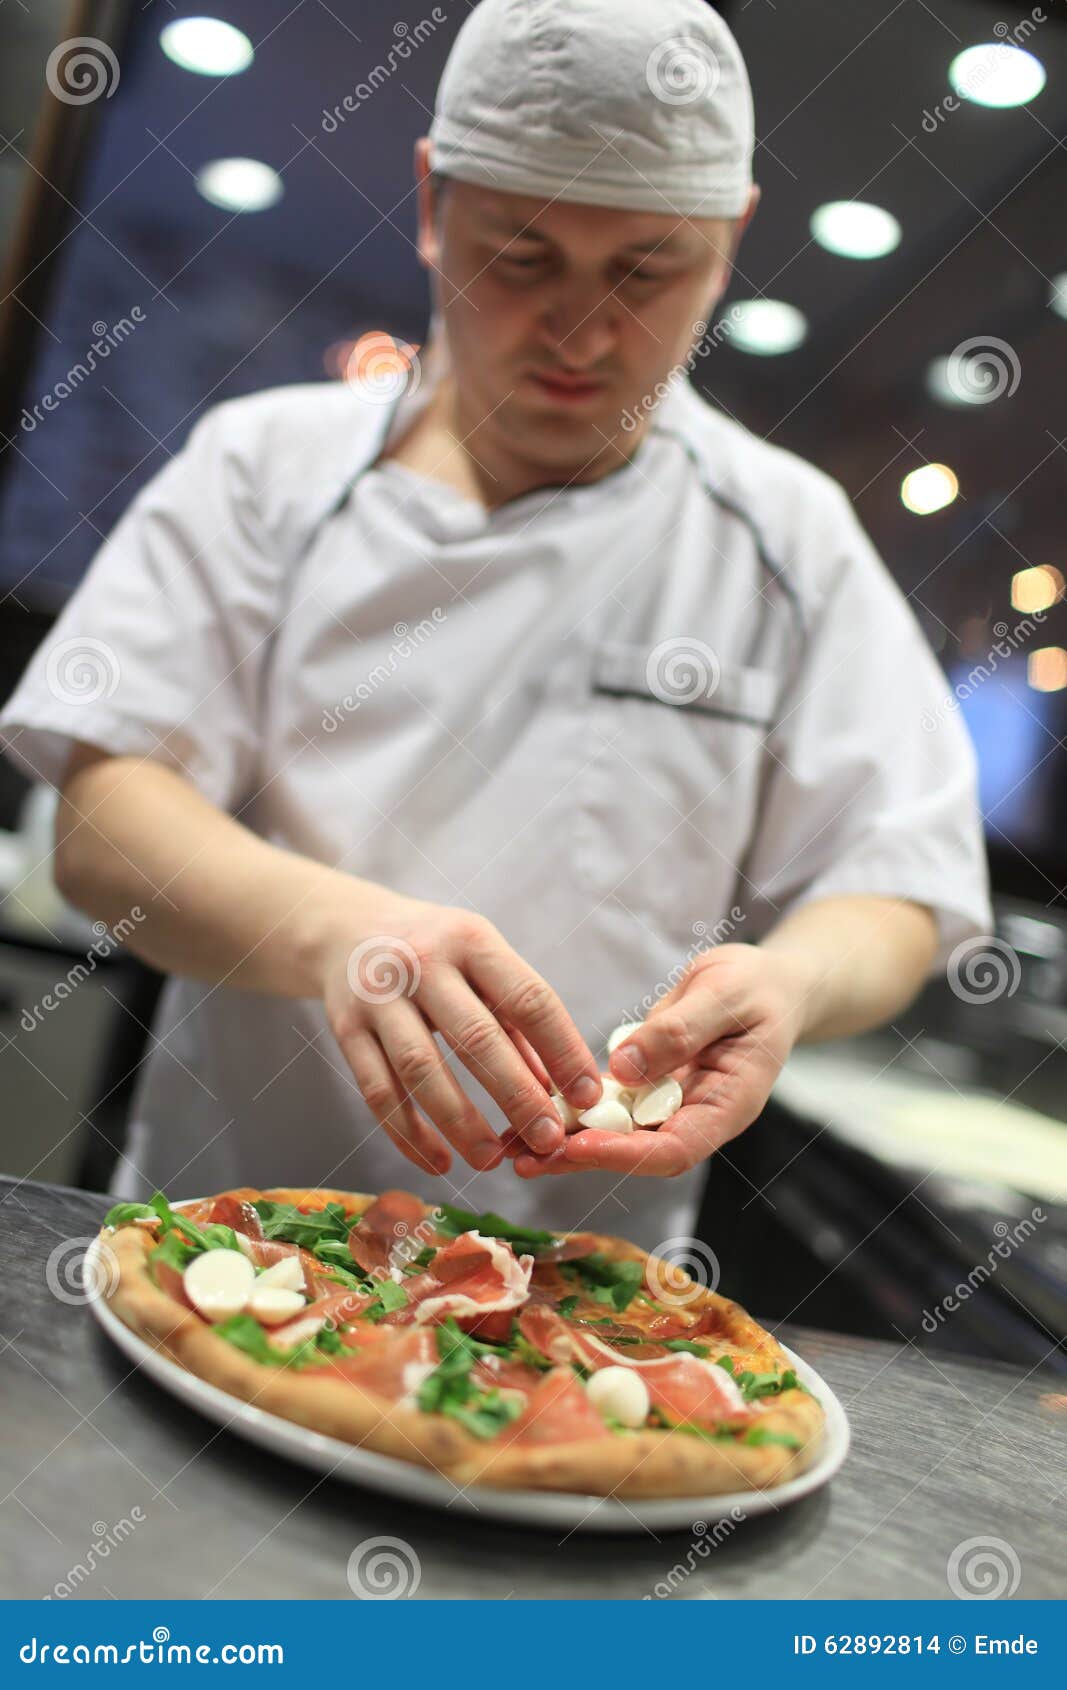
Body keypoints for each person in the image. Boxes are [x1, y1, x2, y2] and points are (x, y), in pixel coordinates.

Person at [0, 0, 991, 1249]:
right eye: (520, 257)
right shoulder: (265, 473)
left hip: (583, 1306)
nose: (578, 332)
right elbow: (100, 825)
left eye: (645, 270)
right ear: (429, 203)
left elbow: (894, 885)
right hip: (225, 1248)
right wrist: (340, 930)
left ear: (729, 241)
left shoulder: (785, 539)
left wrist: (790, 981)